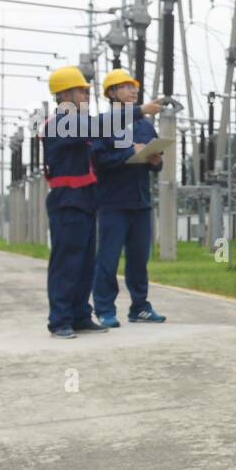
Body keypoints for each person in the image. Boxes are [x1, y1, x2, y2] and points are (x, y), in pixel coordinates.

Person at [90, 68, 167, 326]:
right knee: (108, 259)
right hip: (113, 202)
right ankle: (104, 309)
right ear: (112, 93)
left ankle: (140, 307)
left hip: (140, 202)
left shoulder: (145, 126)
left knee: (138, 259)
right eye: (125, 87)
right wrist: (128, 153)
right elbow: (99, 161)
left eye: (134, 87)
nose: (133, 90)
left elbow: (156, 166)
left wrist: (155, 161)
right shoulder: (103, 124)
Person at [42, 66, 109, 338]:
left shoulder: (80, 124)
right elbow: (102, 127)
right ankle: (59, 320)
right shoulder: (59, 122)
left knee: (84, 262)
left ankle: (80, 314)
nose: (86, 95)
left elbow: (102, 144)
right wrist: (137, 112)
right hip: (67, 199)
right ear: (65, 93)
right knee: (67, 262)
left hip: (85, 198)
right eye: (82, 90)